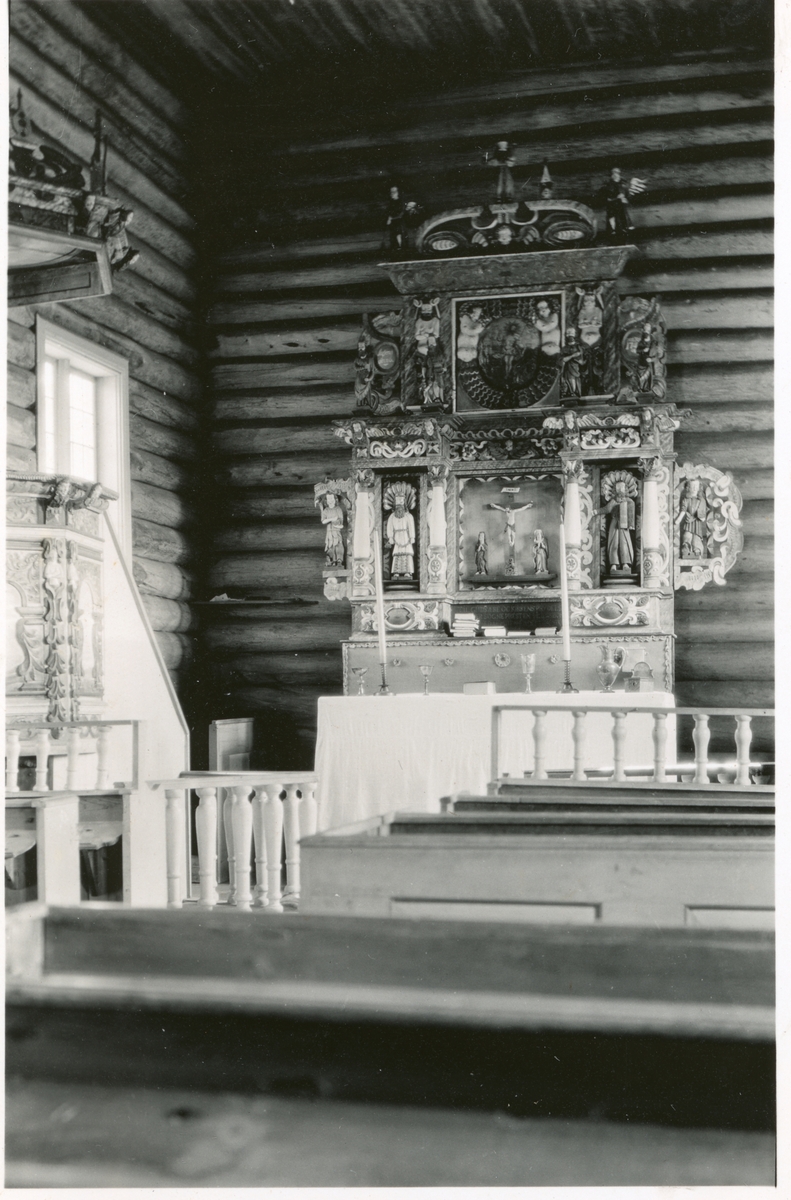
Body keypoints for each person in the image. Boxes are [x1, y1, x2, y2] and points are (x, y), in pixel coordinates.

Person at [600, 479, 636, 574]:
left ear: (626, 489)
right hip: (615, 523)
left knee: (624, 543)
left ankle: (625, 563)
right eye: (618, 488)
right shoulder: (613, 501)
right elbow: (606, 509)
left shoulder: (629, 501)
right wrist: (596, 511)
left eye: (622, 487)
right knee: (614, 543)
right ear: (615, 490)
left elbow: (631, 513)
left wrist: (631, 524)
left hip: (624, 525)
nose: (620, 490)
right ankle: (613, 564)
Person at [676, 478, 708, 559]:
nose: (694, 488)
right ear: (688, 488)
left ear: (699, 488)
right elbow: (683, 510)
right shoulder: (686, 500)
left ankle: (697, 550)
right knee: (687, 535)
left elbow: (702, 514)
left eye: (696, 486)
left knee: (696, 537)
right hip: (688, 522)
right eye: (692, 486)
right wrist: (679, 519)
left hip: (697, 522)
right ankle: (686, 549)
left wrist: (700, 516)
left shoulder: (701, 500)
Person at [386, 497, 416, 578]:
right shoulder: (392, 516)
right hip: (397, 538)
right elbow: (389, 527)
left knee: (407, 554)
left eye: (401, 506)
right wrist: (390, 537)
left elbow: (411, 527)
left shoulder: (408, 516)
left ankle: (408, 572)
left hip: (406, 537)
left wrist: (412, 537)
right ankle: (396, 572)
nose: (399, 509)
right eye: (397, 506)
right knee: (397, 554)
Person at [320, 493, 345, 567]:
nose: (330, 501)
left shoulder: (338, 509)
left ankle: (339, 560)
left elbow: (341, 520)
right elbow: (323, 521)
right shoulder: (326, 510)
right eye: (328, 499)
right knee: (330, 545)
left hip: (336, 529)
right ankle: (332, 561)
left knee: (338, 544)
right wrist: (331, 519)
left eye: (331, 499)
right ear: (326, 501)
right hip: (329, 530)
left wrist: (339, 525)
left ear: (335, 499)